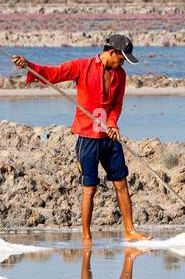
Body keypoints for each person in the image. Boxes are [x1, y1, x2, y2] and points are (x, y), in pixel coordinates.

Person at [13, 34, 150, 246]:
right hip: (87, 137)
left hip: (109, 136)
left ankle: (130, 230)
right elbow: (53, 73)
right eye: (121, 58)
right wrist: (28, 65)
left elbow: (117, 105)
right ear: (111, 52)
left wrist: (112, 123)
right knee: (90, 188)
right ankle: (86, 237)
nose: (123, 63)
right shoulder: (81, 66)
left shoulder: (120, 75)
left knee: (121, 183)